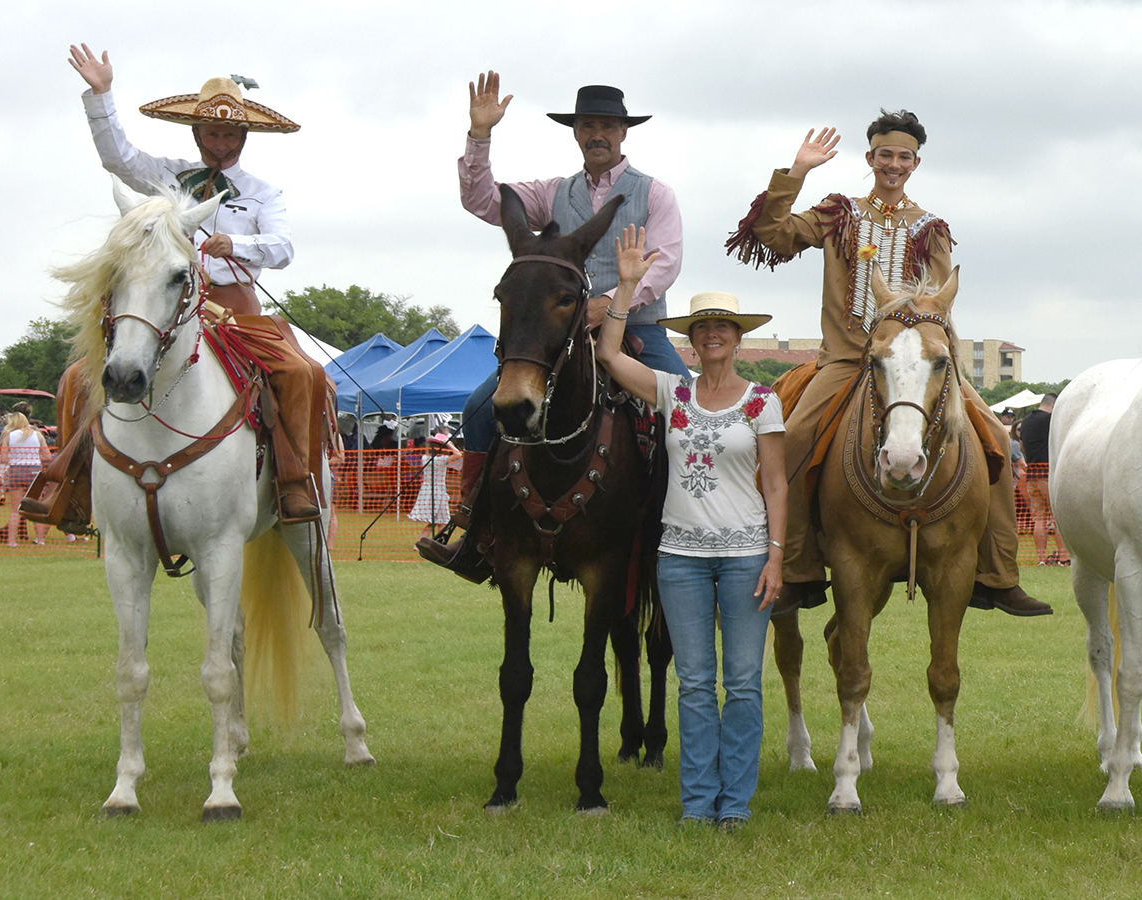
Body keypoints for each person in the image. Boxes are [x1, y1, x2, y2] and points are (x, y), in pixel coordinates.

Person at [727, 114, 1047, 616]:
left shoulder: (931, 229)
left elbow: (940, 307)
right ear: (870, 158)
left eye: (903, 157)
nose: (893, 164)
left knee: (996, 439)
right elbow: (771, 234)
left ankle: (998, 574)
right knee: (792, 441)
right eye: (884, 155)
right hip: (845, 361)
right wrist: (798, 171)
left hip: (916, 365)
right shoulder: (840, 213)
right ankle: (800, 569)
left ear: (915, 163)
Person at [38, 46, 333, 528]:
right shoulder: (165, 173)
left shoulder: (264, 192)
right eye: (214, 132)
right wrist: (101, 95)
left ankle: (294, 482)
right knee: (78, 378)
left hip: (236, 312)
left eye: (232, 132)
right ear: (197, 133)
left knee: (304, 374)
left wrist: (236, 244)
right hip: (162, 307)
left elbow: (283, 248)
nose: (223, 141)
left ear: (245, 135)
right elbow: (117, 156)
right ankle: (73, 487)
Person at [425, 75, 692, 576]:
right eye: (588, 125)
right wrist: (479, 136)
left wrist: (609, 303)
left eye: (607, 126)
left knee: (689, 409)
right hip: (555, 336)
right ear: (575, 133)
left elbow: (665, 262)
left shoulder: (656, 194)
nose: (598, 134)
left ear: (623, 133)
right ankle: (476, 529)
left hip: (638, 330)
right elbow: (485, 201)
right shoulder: (553, 193)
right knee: (479, 406)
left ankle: (689, 530)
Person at [598, 251, 789, 831]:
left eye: (722, 328)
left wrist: (777, 556)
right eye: (702, 327)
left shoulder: (762, 402)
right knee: (695, 685)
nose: (712, 336)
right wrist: (625, 288)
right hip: (680, 559)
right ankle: (698, 803)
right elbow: (608, 354)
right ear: (691, 338)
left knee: (744, 686)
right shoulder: (671, 392)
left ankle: (735, 805)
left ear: (738, 339)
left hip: (747, 557)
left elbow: (777, 483)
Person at [1020, 393, 1064, 565]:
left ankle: (1040, 559)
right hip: (1048, 474)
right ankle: (1062, 558)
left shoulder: (1025, 422)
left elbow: (1022, 446)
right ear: (1053, 406)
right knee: (1058, 518)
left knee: (1039, 519)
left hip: (1032, 475)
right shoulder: (1050, 420)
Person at [0, 413, 48, 546]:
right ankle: (41, 539)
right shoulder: (37, 435)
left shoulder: (9, 436)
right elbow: (47, 456)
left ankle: (12, 541)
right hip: (33, 471)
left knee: (16, 510)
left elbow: (3, 458)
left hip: (16, 470)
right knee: (36, 508)